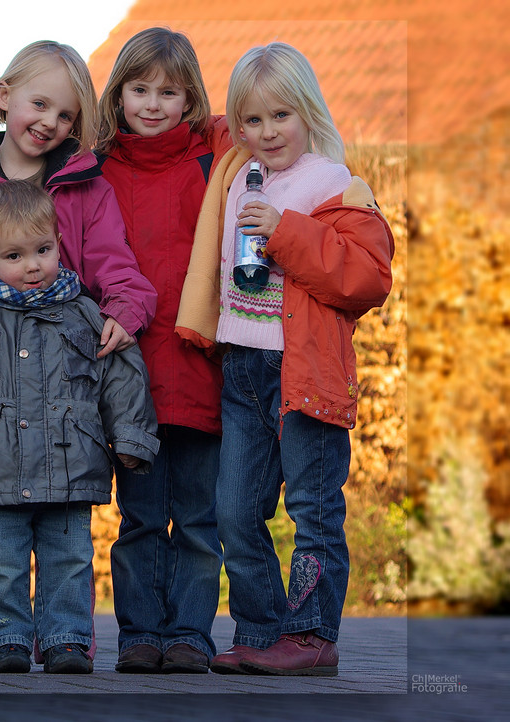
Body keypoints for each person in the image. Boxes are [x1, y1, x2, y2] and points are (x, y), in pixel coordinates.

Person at [0, 40, 158, 671]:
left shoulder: (84, 187)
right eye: (39, 103)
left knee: (64, 540)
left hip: (60, 383)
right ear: (4, 97)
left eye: (67, 115)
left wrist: (123, 316)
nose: (49, 122)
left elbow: (118, 267)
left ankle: (62, 639)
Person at [175, 41, 394, 676]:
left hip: (305, 375)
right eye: (251, 120)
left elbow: (367, 278)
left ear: (308, 112)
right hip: (242, 368)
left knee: (313, 508)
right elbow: (185, 115)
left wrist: (285, 231)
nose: (266, 132)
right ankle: (262, 628)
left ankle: (311, 636)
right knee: (235, 509)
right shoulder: (234, 167)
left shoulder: (335, 183)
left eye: (281, 116)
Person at [95, 27, 232, 675]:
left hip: (200, 370)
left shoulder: (213, 164)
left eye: (169, 92)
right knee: (142, 521)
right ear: (117, 94)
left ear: (191, 100)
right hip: (129, 380)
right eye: (139, 89)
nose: (152, 104)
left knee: (200, 520)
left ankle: (189, 636)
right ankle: (139, 635)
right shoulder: (97, 173)